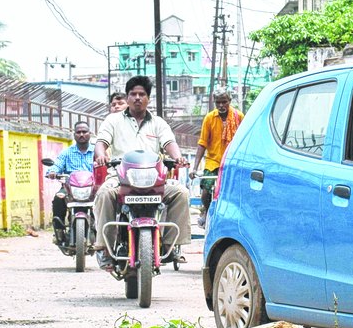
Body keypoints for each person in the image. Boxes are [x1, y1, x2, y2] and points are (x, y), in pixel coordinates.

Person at [92, 76, 190, 270]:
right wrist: (101, 155)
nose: (137, 98)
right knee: (104, 194)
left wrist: (178, 157)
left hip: (154, 179)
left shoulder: (158, 123)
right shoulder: (113, 120)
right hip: (121, 178)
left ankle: (172, 245)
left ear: (148, 98)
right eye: (133, 94)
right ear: (127, 98)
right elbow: (101, 142)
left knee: (181, 193)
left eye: (142, 94)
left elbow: (170, 143)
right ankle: (104, 248)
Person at [190, 89, 244, 219]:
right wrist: (195, 168)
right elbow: (202, 143)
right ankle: (208, 213)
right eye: (218, 102)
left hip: (233, 162)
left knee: (239, 193)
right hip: (213, 162)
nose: (221, 106)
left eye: (224, 102)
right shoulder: (209, 118)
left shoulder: (239, 117)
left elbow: (244, 141)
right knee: (205, 193)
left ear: (230, 101)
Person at [45, 121, 94, 244]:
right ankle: (59, 231)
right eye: (78, 132)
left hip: (92, 189)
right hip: (70, 188)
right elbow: (57, 165)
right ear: (74, 134)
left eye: (84, 132)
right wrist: (52, 172)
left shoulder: (97, 151)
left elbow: (105, 164)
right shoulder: (67, 153)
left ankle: (108, 233)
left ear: (90, 134)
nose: (81, 134)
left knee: (107, 198)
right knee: (58, 198)